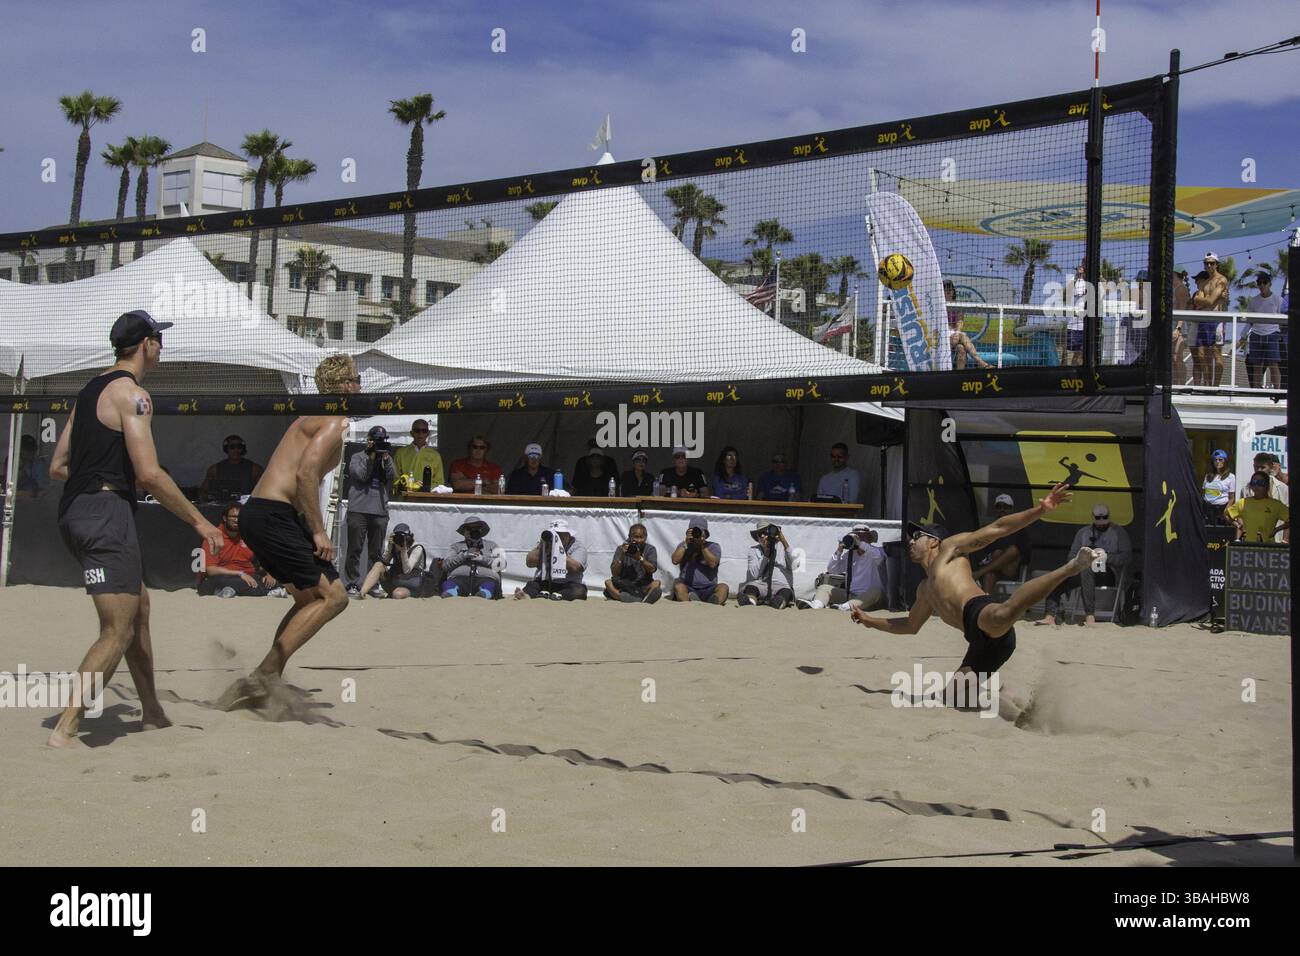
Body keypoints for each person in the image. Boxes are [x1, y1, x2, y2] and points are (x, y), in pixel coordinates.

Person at [46, 310, 224, 747]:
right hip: (107, 513)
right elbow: (149, 474)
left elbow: (58, 466)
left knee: (138, 607)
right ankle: (66, 728)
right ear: (145, 344)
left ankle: (152, 712)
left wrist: (97, 483)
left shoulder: (88, 391)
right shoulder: (134, 395)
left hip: (74, 511)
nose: (162, 346)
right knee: (116, 629)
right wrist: (200, 520)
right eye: (158, 339)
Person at [217, 354, 359, 709]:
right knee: (335, 598)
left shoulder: (309, 417)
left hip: (262, 513)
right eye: (356, 380)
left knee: (308, 600)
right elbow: (306, 475)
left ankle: (268, 677)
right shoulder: (335, 420)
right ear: (344, 387)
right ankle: (262, 676)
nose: (361, 386)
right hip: (273, 515)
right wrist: (318, 532)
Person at [850, 483, 1091, 690]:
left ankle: (1070, 568)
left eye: (917, 536)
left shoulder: (950, 549)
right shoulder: (924, 589)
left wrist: (1041, 509)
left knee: (1003, 612)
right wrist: (869, 621)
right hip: (980, 643)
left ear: (933, 541)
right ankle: (1014, 702)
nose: (911, 541)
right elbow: (910, 625)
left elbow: (998, 529)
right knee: (954, 697)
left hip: (980, 612)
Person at [1038, 504, 1132, 627]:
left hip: (1108, 571)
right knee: (1059, 574)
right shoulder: (1083, 533)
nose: (1102, 523)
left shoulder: (1118, 532)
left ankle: (1089, 615)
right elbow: (1071, 556)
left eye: (1104, 519)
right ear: (1093, 517)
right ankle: (1050, 615)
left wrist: (1106, 557)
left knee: (1087, 569)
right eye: (1099, 520)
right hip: (1084, 569)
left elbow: (1126, 557)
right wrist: (1082, 559)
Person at [345, 425, 396, 597]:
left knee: (376, 551)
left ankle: (373, 585)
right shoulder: (357, 457)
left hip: (379, 510)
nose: (379, 443)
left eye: (382, 440)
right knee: (355, 549)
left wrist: (386, 458)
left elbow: (391, 476)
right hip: (358, 508)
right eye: (376, 440)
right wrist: (371, 456)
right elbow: (361, 475)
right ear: (369, 440)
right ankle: (352, 583)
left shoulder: (386, 457)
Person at [197, 502, 283, 597]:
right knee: (229, 582)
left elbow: (264, 558)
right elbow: (211, 571)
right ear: (225, 518)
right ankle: (268, 592)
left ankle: (229, 591)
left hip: (249, 576)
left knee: (281, 578)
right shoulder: (214, 537)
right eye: (233, 517)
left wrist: (269, 573)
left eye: (240, 517)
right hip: (221, 577)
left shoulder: (248, 535)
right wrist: (240, 574)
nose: (236, 520)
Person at [797, 523, 886, 610]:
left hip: (871, 599)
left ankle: (844, 607)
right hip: (851, 596)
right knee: (824, 587)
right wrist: (839, 550)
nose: (859, 539)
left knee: (876, 592)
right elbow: (832, 570)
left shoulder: (878, 551)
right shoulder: (850, 555)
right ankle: (817, 605)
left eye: (862, 536)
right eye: (856, 536)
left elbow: (878, 556)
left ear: (869, 538)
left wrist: (860, 544)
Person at [356, 523, 432, 599]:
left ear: (409, 537)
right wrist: (389, 548)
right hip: (395, 580)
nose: (400, 540)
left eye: (403, 537)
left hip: (410, 584)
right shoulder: (394, 545)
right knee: (378, 565)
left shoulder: (417, 548)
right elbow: (384, 562)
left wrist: (403, 550)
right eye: (397, 537)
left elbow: (407, 570)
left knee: (397, 594)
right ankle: (362, 593)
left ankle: (399, 594)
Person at [517, 518, 588, 600]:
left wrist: (557, 551)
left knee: (579, 591)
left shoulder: (577, 546)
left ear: (568, 534)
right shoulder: (544, 544)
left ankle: (559, 595)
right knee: (532, 585)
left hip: (568, 583)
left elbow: (576, 567)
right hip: (545, 582)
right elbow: (529, 562)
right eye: (554, 534)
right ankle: (526, 595)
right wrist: (541, 546)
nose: (557, 537)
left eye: (560, 534)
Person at [974, 493, 1032, 593]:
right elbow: (980, 551)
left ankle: (979, 573)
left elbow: (1025, 555)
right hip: (991, 567)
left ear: (1012, 509)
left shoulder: (1020, 528)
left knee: (1013, 550)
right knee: (990, 572)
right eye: (999, 506)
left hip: (1009, 569)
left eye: (1006, 507)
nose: (1002, 509)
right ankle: (985, 604)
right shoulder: (989, 528)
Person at [441, 515, 504, 599]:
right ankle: (451, 593)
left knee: (488, 586)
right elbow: (445, 565)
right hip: (459, 579)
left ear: (481, 530)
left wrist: (482, 559)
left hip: (486, 579)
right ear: (464, 532)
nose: (473, 531)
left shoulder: (492, 545)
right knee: (450, 585)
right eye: (469, 529)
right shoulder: (456, 546)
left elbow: (502, 564)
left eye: (476, 528)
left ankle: (484, 595)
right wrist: (463, 556)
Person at [737, 520, 794, 609]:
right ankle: (750, 602)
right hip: (762, 585)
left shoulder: (783, 547)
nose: (763, 536)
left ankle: (778, 603)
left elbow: (794, 565)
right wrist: (766, 555)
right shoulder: (753, 550)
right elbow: (754, 574)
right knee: (751, 587)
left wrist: (783, 541)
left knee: (786, 592)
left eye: (765, 533)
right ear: (757, 538)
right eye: (760, 534)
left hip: (781, 585)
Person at [1191, 253, 1229, 386]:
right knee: (1202, 353)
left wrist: (1206, 300)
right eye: (1206, 263)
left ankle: (1215, 386)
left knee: (1216, 352)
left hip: (1216, 320)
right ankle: (1207, 385)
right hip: (1203, 319)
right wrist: (1209, 300)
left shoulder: (1222, 280)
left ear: (1217, 264)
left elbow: (1210, 300)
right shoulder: (1205, 282)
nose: (1208, 265)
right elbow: (1197, 301)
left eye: (1211, 263)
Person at [672, 516, 727, 603]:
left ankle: (712, 602)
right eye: (694, 531)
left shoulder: (713, 546)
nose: (696, 534)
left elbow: (713, 563)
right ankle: (689, 602)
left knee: (723, 587)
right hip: (689, 587)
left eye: (700, 532)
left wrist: (702, 546)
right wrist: (686, 543)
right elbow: (675, 561)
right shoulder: (684, 545)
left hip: (709, 588)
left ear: (705, 534)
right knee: (679, 587)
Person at [604, 522, 662, 603]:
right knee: (608, 583)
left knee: (656, 583)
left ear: (646, 538)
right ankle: (638, 600)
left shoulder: (650, 549)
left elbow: (652, 569)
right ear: (629, 537)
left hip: (643, 585)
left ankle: (625, 598)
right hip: (625, 585)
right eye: (635, 537)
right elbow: (614, 573)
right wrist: (622, 555)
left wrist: (640, 558)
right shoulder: (621, 549)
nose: (638, 540)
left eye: (641, 537)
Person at [1245, 271, 1283, 390]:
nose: (1262, 285)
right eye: (1259, 283)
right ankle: (1256, 389)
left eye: (1264, 283)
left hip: (1272, 334)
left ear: (1269, 284)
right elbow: (1248, 320)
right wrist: (1243, 335)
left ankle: (1277, 390)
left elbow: (1283, 318)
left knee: (1273, 364)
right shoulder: (1253, 301)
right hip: (1256, 334)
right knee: (1257, 364)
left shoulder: (1278, 300)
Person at [1226, 473, 1289, 544]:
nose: (1256, 486)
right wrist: (1238, 525)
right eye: (1254, 483)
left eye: (1260, 483)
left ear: (1267, 485)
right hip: (1248, 546)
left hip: (1268, 546)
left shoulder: (1276, 504)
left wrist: (1276, 530)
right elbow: (1227, 514)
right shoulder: (1243, 502)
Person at [199, 435, 264, 501]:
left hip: (246, 508)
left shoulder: (255, 469)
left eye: (239, 447)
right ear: (226, 449)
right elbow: (203, 491)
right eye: (232, 447)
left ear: (243, 449)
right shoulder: (214, 469)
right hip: (222, 507)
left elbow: (264, 492)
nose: (236, 450)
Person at [944, 279, 990, 370]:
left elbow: (960, 322)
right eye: (945, 290)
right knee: (962, 335)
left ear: (953, 292)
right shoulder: (939, 305)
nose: (948, 292)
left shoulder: (958, 306)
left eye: (950, 289)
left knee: (961, 349)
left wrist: (957, 332)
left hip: (955, 337)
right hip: (943, 338)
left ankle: (959, 378)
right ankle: (980, 362)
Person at [392, 419, 444, 495]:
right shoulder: (400, 453)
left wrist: (425, 486)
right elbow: (394, 478)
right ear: (411, 433)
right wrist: (409, 485)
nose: (420, 434)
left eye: (424, 431)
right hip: (405, 496)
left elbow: (439, 482)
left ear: (428, 433)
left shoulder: (435, 455)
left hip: (427, 497)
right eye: (417, 430)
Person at [1202, 448, 1236, 524]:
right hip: (1208, 510)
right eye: (1215, 460)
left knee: (1221, 534)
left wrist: (1226, 511)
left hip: (1221, 510)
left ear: (1225, 461)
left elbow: (1232, 498)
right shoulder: (1208, 475)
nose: (1217, 462)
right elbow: (1204, 492)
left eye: (1220, 459)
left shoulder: (1231, 477)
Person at [1063, 261, 1086, 367]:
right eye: (1083, 264)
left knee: (1082, 355)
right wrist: (1077, 276)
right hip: (1075, 325)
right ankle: (1068, 375)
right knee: (1071, 354)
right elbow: (1066, 292)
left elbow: (1107, 289)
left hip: (1088, 326)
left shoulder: (1096, 280)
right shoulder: (1075, 280)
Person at [1171, 269, 1191, 382]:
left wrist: (1178, 328)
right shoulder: (1173, 289)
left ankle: (1181, 384)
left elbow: (1182, 309)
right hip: (1171, 325)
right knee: (1172, 358)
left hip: (1179, 327)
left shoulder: (1181, 289)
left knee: (1177, 357)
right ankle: (1174, 384)